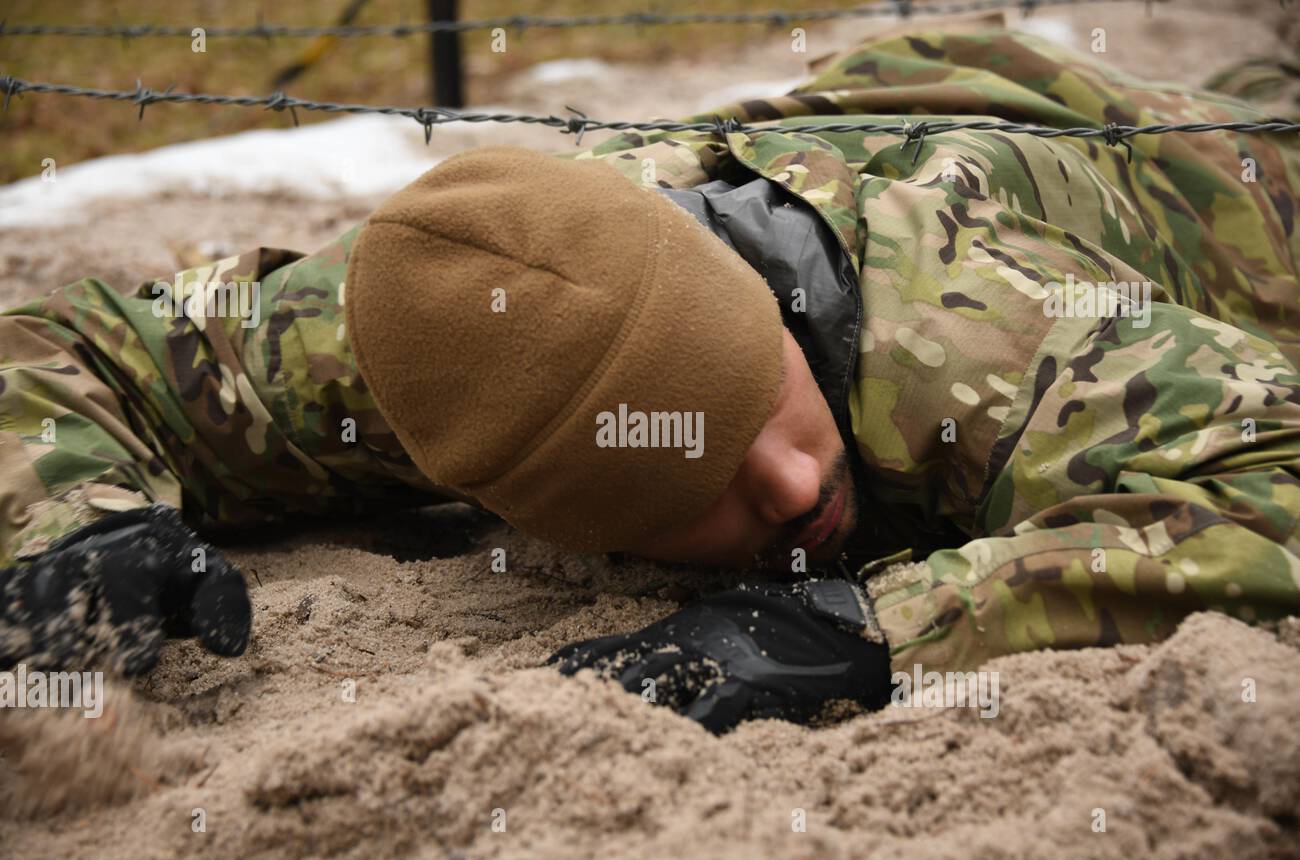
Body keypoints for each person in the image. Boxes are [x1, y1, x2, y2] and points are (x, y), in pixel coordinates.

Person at [3, 27, 1298, 732]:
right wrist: (83, 525)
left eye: (763, 401)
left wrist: (862, 628)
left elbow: (1272, 481)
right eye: (699, 487)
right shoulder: (429, 331)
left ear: (760, 304)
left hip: (1179, 175)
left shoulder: (979, 341)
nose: (793, 484)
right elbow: (70, 345)